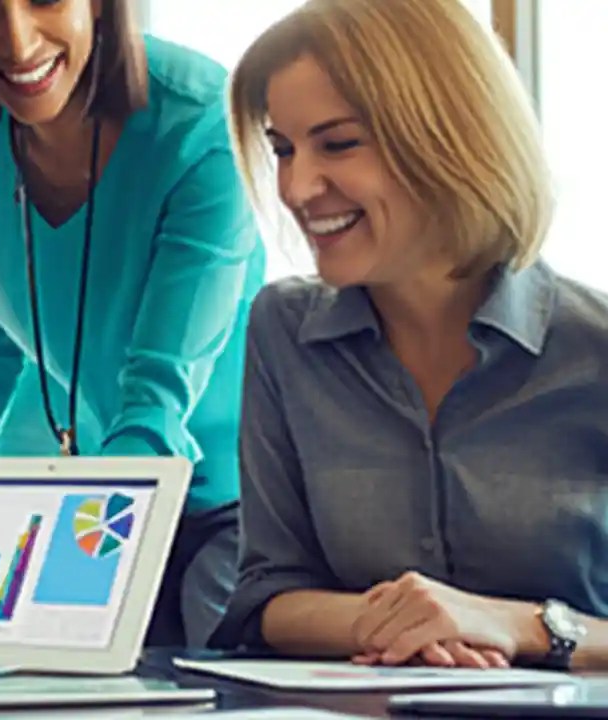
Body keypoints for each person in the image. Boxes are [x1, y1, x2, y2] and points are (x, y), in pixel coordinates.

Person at [211, 0, 608, 671]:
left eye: (338, 143)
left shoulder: (593, 350)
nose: (296, 187)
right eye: (283, 149)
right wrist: (406, 620)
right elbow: (266, 595)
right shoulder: (283, 329)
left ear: (450, 135)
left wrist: (520, 624)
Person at [0, 0, 264, 646]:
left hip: (228, 502)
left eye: (46, 0)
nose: (19, 42)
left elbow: (156, 401)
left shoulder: (200, 122)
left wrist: (75, 588)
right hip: (87, 496)